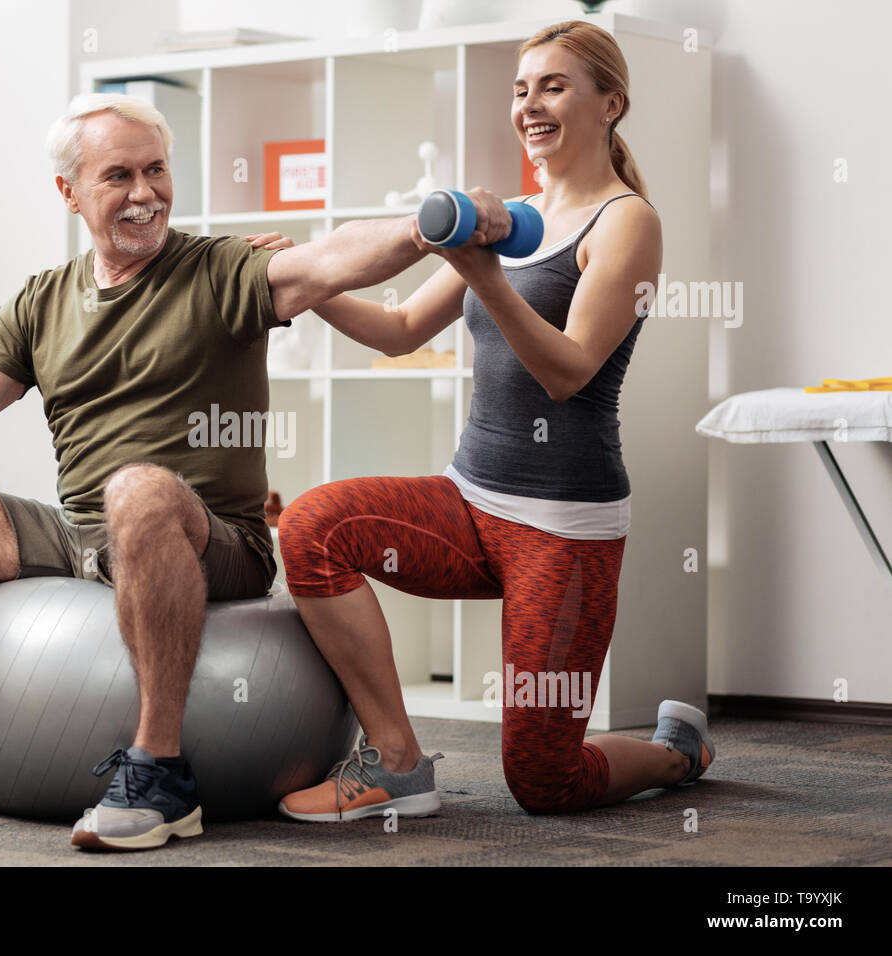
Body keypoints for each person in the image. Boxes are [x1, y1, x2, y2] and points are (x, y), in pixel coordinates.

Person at [0, 91, 427, 850]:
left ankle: (160, 771)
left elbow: (334, 257)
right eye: (118, 175)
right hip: (78, 536)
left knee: (140, 490)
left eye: (156, 170)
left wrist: (427, 226)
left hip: (210, 538)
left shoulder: (219, 270)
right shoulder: (44, 301)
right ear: (69, 192)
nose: (144, 193)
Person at [276, 19, 715, 823]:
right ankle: (400, 764)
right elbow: (404, 329)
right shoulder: (510, 218)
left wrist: (485, 273)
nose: (530, 105)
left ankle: (676, 753)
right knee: (311, 528)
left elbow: (569, 370)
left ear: (612, 102)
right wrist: (297, 287)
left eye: (553, 86)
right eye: (521, 89)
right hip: (470, 504)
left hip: (565, 530)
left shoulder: (628, 224)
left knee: (544, 783)